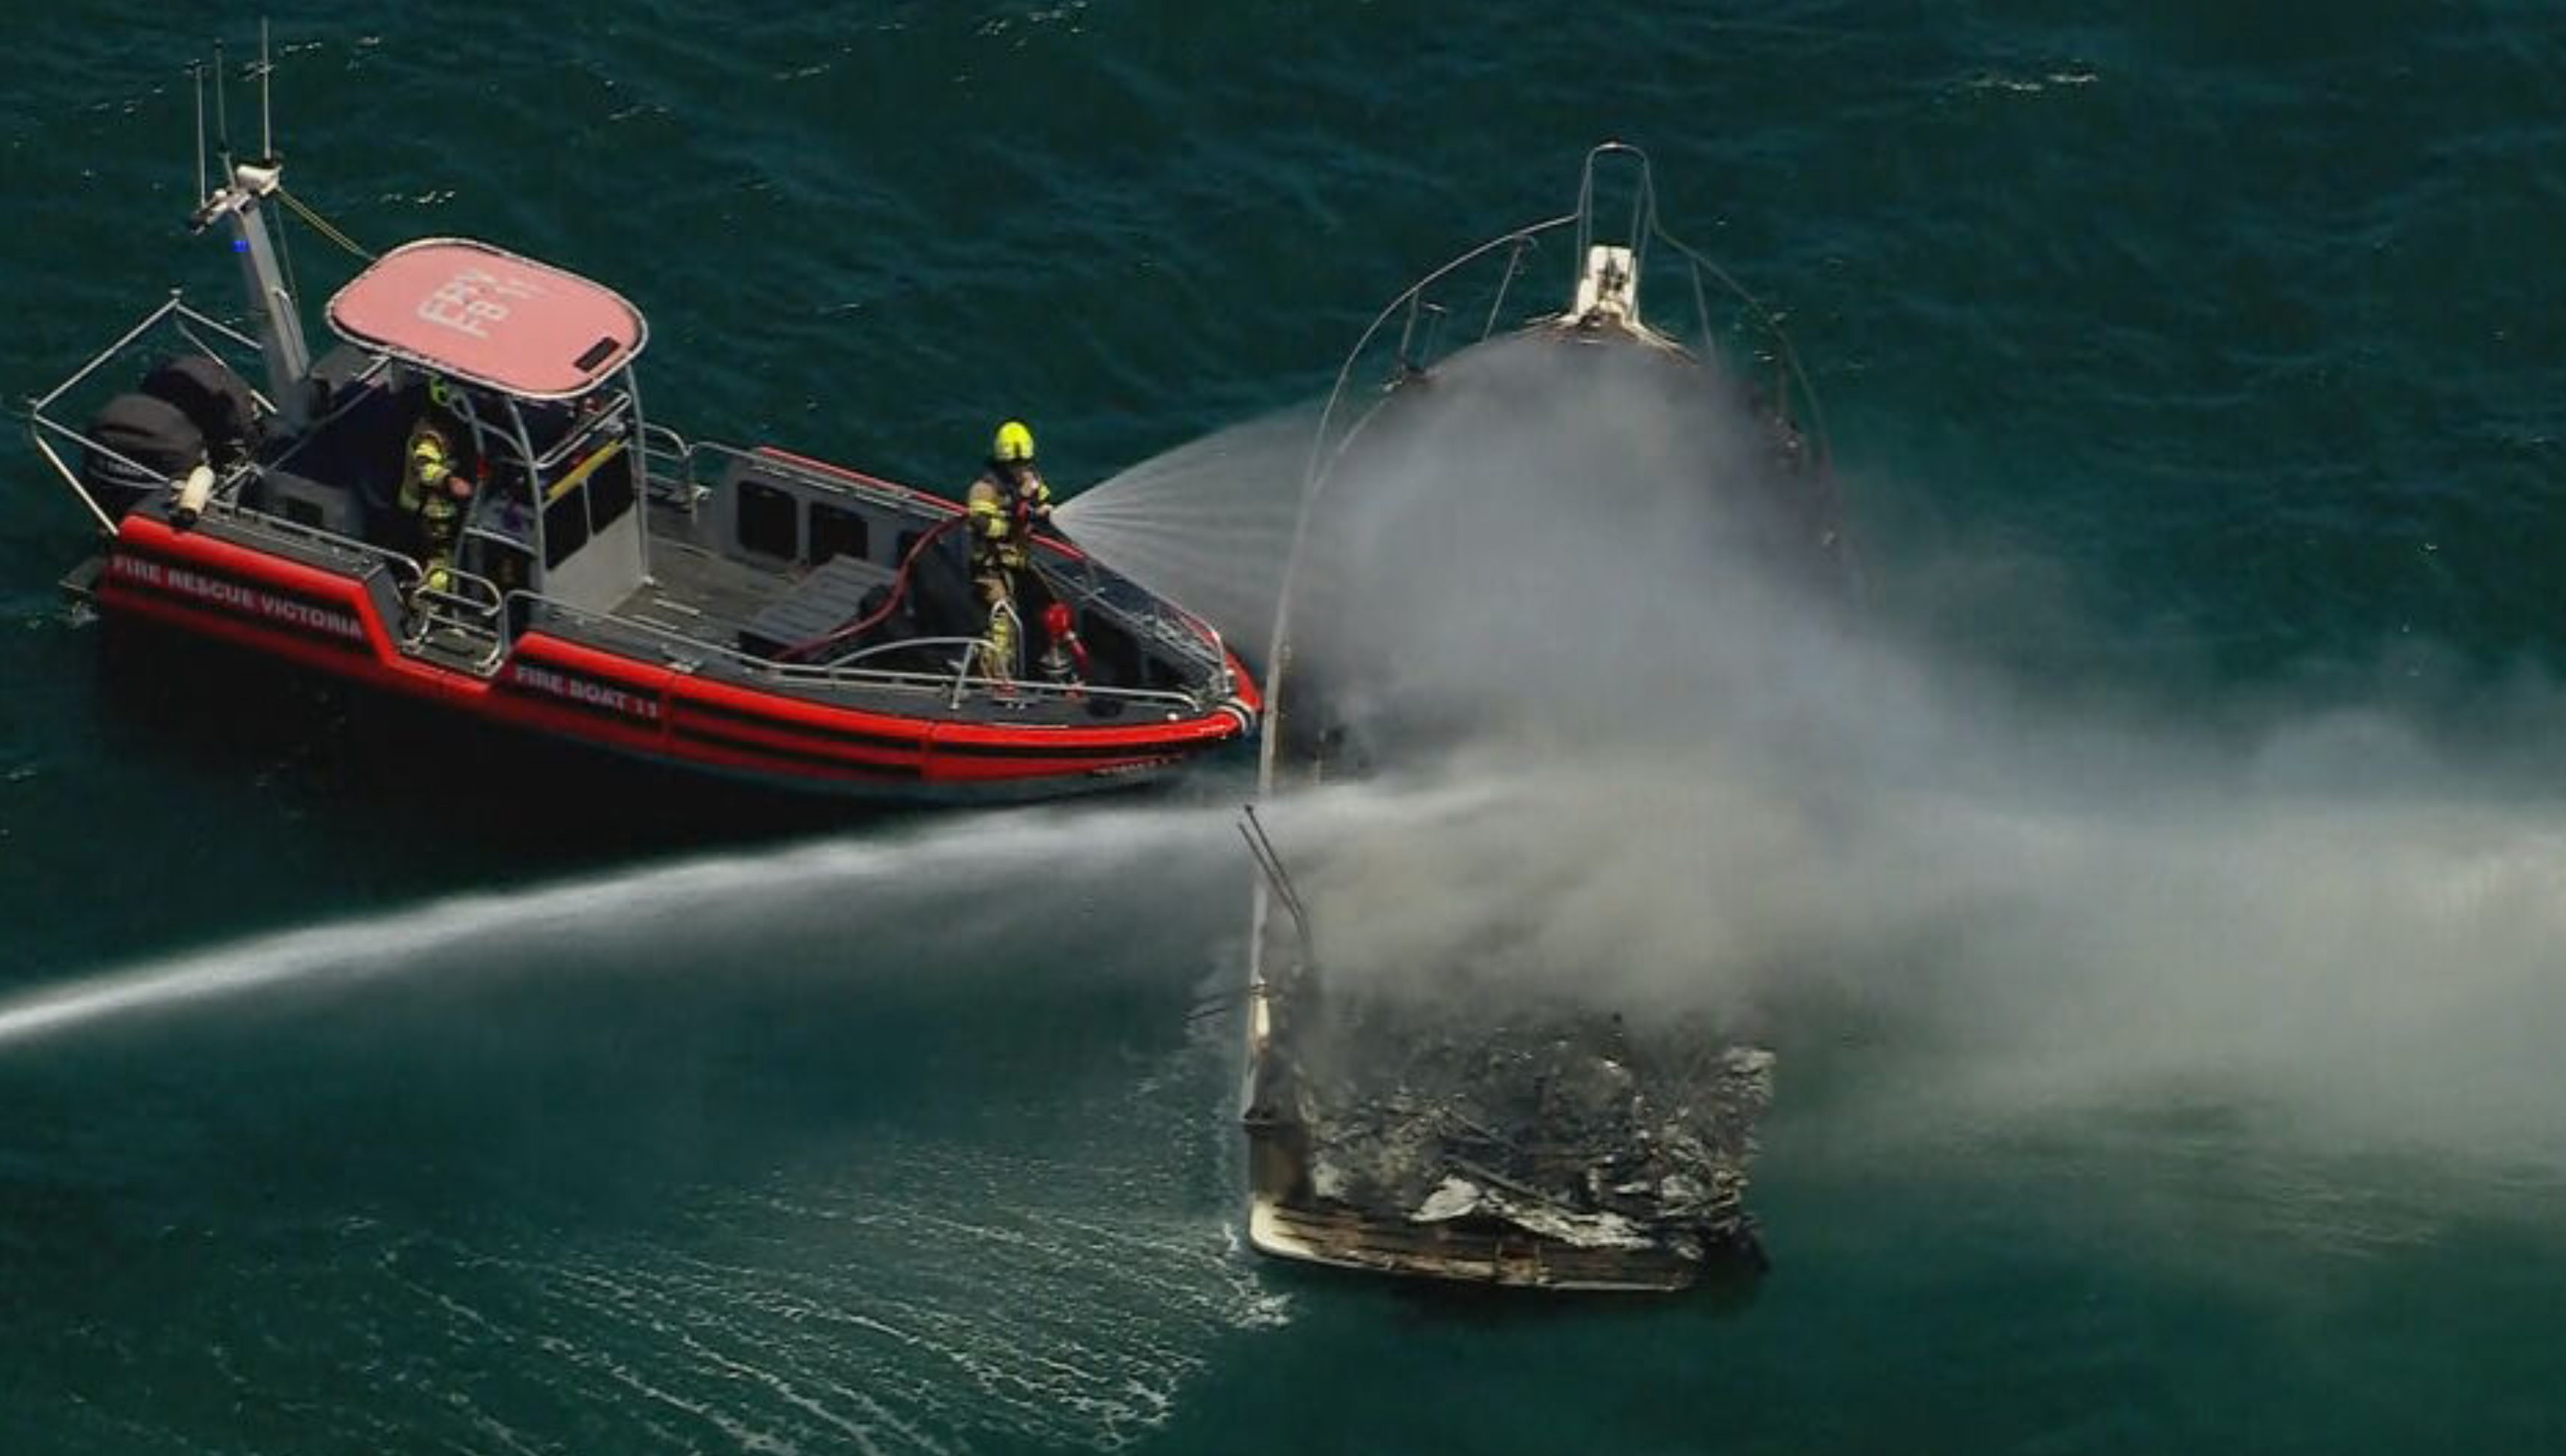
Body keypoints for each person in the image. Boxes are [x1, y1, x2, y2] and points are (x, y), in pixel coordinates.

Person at [962, 419, 1054, 680]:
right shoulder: (985, 490)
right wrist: (1017, 518)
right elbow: (981, 524)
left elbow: (1043, 502)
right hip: (990, 570)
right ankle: (993, 680)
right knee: (1002, 619)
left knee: (1051, 605)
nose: (1021, 470)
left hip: (1020, 563)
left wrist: (1044, 513)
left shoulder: (1032, 480)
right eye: (1015, 465)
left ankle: (1057, 662)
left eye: (1025, 463)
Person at [399, 417, 473, 596]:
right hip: (429, 513)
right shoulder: (431, 435)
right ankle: (430, 608)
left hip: (446, 511)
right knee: (438, 568)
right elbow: (423, 466)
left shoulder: (458, 429)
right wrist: (448, 480)